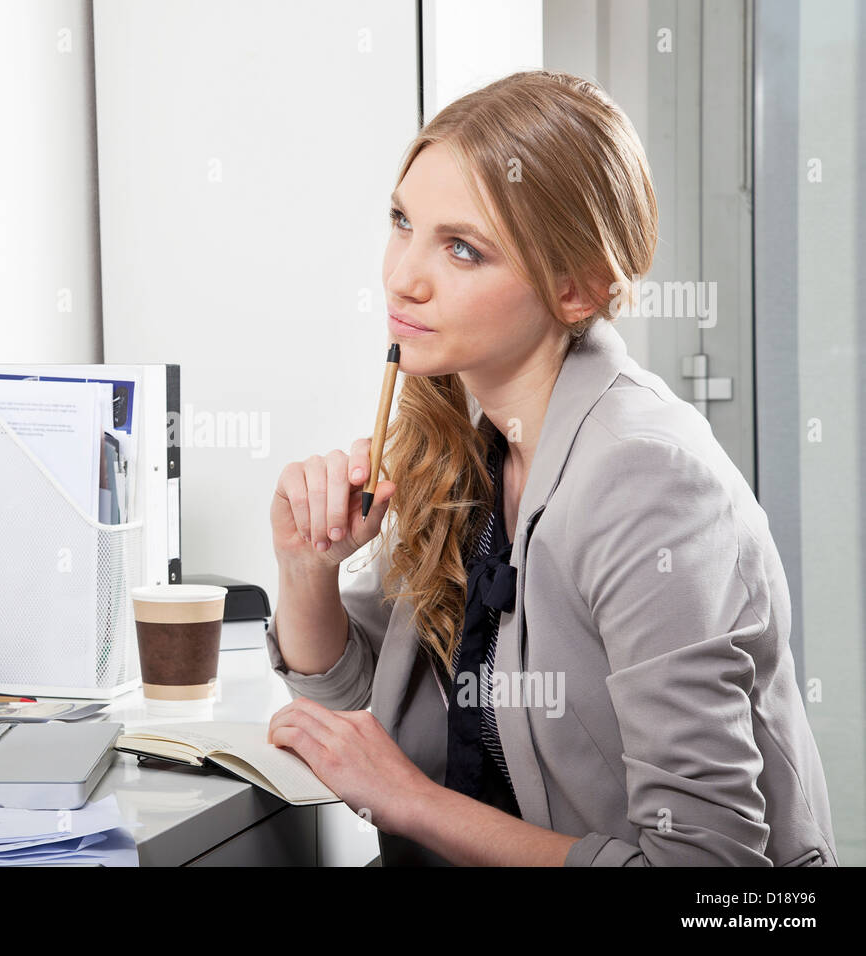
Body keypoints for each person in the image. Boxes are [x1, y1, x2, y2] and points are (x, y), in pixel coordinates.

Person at [265, 70, 837, 866]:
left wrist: (415, 803)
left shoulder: (650, 483)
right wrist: (306, 569)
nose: (402, 277)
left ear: (577, 290)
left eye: (463, 249)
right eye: (403, 221)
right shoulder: (469, 438)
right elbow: (364, 714)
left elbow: (711, 875)